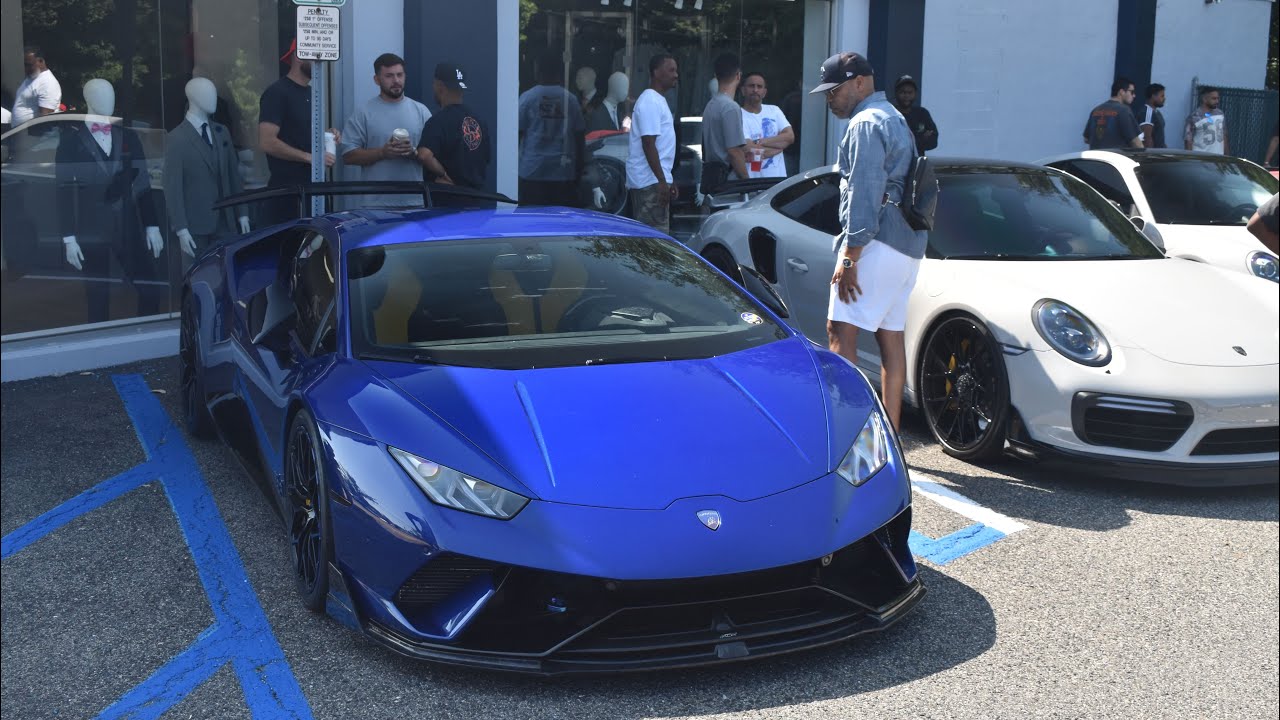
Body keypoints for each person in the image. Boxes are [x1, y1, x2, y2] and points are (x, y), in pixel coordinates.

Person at [812, 52, 926, 431]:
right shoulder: (896, 119)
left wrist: (849, 257)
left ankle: (847, 434)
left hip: (875, 243)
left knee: (840, 332)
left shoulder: (865, 123)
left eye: (835, 90)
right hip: (906, 246)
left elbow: (864, 192)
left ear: (860, 82)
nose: (830, 99)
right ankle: (891, 434)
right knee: (891, 341)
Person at [164, 78, 250, 258]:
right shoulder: (176, 138)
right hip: (195, 225)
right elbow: (173, 188)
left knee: (226, 275)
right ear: (193, 98)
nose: (213, 99)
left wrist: (242, 213)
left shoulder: (221, 132)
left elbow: (233, 176)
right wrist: (181, 229)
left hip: (226, 221)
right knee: (196, 278)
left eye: (214, 94)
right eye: (207, 94)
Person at [258, 39, 339, 223]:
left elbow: (300, 131)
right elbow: (267, 142)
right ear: (298, 55)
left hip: (315, 189)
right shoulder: (277, 92)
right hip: (288, 194)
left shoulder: (313, 93)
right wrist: (311, 158)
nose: (319, 61)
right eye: (314, 55)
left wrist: (328, 134)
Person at [341, 53, 432, 208]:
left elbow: (434, 155)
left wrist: (414, 153)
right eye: (389, 76)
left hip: (415, 202)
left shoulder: (421, 112)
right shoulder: (364, 113)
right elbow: (348, 156)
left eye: (399, 75)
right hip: (376, 205)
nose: (396, 81)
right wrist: (382, 153)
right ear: (377, 80)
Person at [518, 51, 586, 207]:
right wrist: (578, 168)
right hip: (562, 172)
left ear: (538, 71)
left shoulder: (527, 98)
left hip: (532, 171)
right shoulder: (571, 100)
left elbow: (517, 133)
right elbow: (579, 136)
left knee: (532, 223)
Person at [416, 62, 491, 190]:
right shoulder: (479, 121)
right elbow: (487, 158)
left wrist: (443, 174)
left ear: (439, 86)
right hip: (478, 198)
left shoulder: (438, 121)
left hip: (449, 199)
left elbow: (424, 155)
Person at [626, 54, 679, 233]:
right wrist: (662, 181)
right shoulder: (650, 100)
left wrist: (668, 179)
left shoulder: (657, 100)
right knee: (654, 243)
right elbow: (648, 143)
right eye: (671, 70)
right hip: (649, 184)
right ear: (656, 73)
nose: (676, 75)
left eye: (676, 70)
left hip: (654, 181)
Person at [699, 53, 748, 193]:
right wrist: (747, 181)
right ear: (738, 75)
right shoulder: (730, 107)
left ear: (716, 75)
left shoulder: (711, 105)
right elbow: (734, 151)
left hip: (711, 177)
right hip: (728, 183)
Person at [739, 72, 794, 179]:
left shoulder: (774, 110)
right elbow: (749, 149)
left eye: (759, 87)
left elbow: (790, 137)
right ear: (743, 90)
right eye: (751, 86)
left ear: (764, 92)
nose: (755, 90)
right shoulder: (738, 115)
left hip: (778, 181)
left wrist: (760, 142)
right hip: (752, 182)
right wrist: (778, 149)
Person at [1083, 78, 1143, 150]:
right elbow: (1135, 142)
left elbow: (1086, 139)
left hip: (1095, 159)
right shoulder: (1124, 110)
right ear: (1121, 92)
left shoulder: (1095, 110)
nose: (1134, 96)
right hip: (1115, 158)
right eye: (1132, 92)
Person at [12, 46, 62, 126]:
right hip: (23, 135)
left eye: (29, 65)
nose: (26, 68)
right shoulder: (31, 78)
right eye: (25, 65)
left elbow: (45, 119)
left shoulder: (47, 82)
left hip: (37, 137)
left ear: (41, 61)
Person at [892, 75, 938, 154]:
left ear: (915, 94)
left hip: (917, 164)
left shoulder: (922, 113)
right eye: (903, 92)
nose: (907, 96)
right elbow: (895, 145)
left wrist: (912, 141)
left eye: (910, 92)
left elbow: (933, 142)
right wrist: (922, 138)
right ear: (896, 93)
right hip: (896, 164)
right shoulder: (891, 115)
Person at [1184, 86, 1229, 155]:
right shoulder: (1194, 117)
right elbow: (1188, 140)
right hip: (1201, 159)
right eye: (1214, 98)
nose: (1217, 101)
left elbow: (1224, 136)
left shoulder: (1220, 114)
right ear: (1204, 99)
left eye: (1218, 98)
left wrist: (1226, 156)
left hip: (1218, 159)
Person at [1138, 83, 1167, 149]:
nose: (1164, 98)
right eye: (1162, 96)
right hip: (1153, 155)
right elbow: (1146, 137)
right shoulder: (1147, 112)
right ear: (1153, 96)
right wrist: (1150, 155)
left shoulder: (1156, 113)